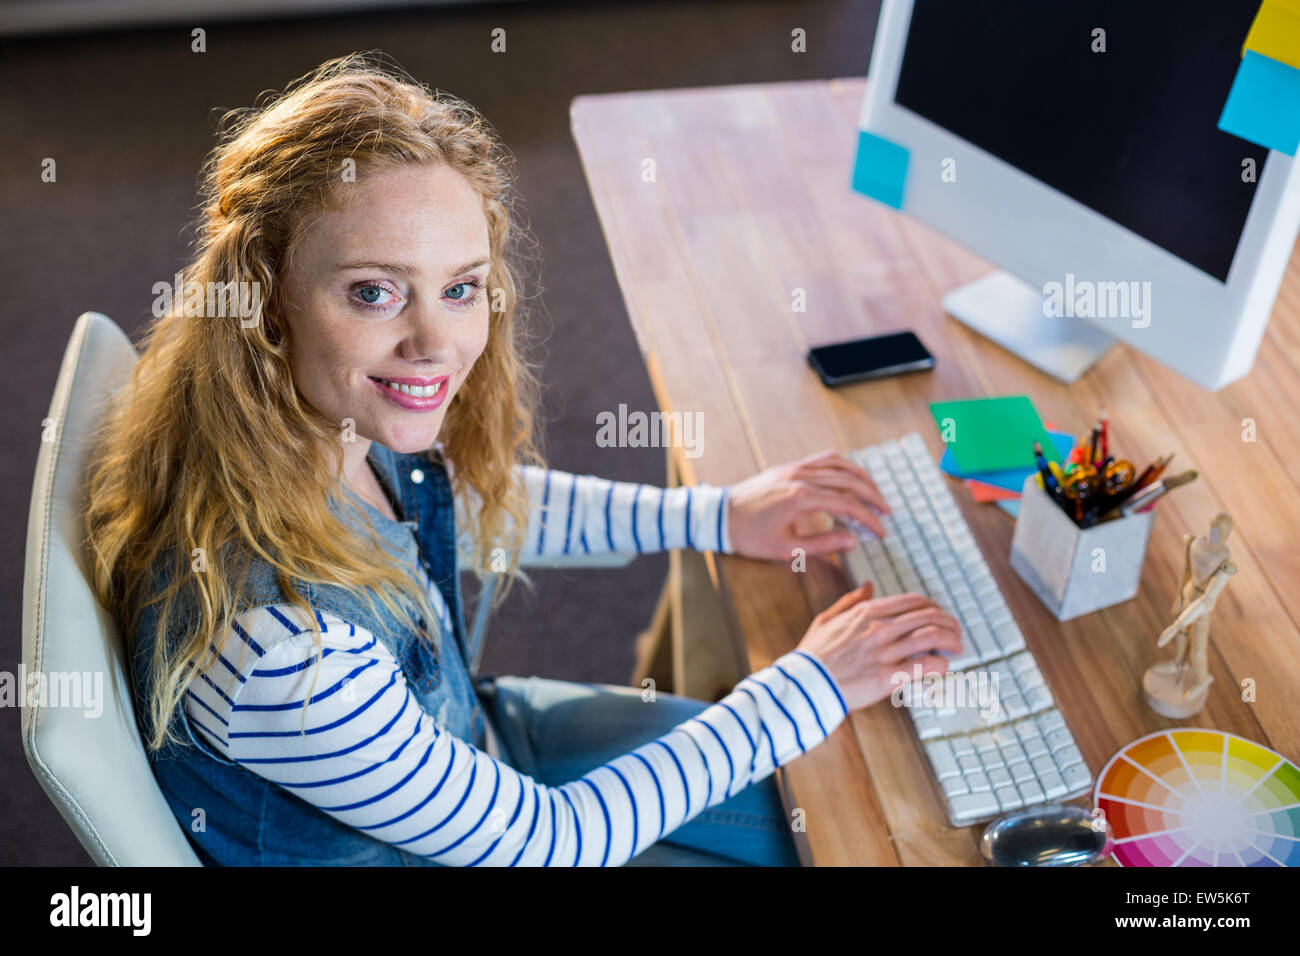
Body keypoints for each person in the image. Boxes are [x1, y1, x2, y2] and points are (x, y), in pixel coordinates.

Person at [83, 53, 961, 867]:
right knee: (868, 830)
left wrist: (717, 516)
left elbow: (463, 504)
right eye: (374, 291)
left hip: (466, 749)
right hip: (490, 837)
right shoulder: (280, 653)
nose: (436, 342)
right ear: (266, 302)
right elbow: (551, 841)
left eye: (460, 287)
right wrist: (810, 681)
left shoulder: (302, 424)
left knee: (846, 785)